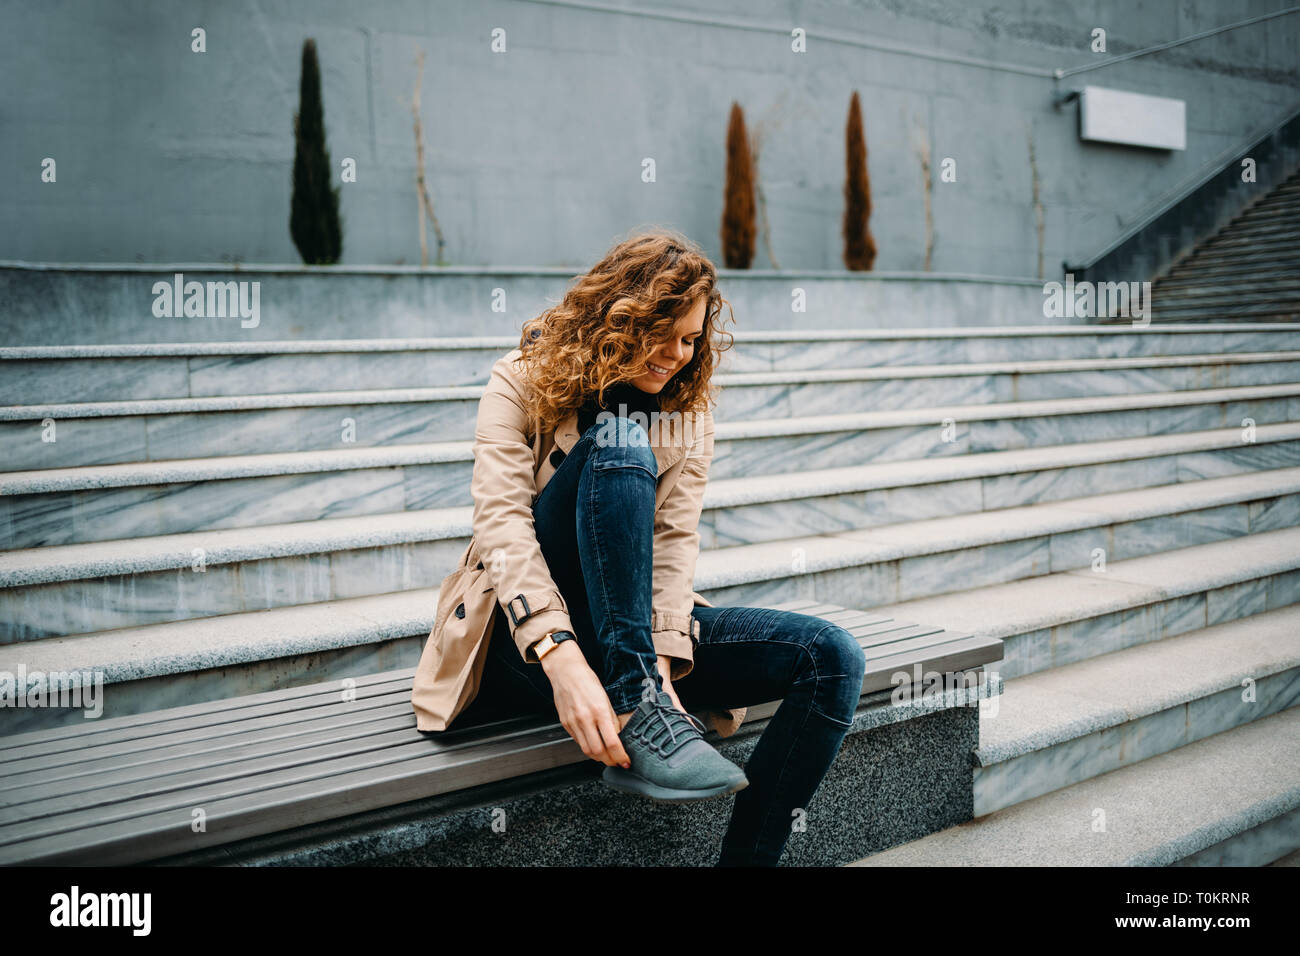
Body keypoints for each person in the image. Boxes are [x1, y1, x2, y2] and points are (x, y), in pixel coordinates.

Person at [447, 228, 867, 866]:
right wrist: (559, 659)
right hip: (524, 639)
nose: (678, 354)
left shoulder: (689, 412)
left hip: (631, 643)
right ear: (621, 316)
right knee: (618, 443)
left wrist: (661, 675)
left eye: (693, 338)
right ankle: (633, 697)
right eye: (664, 332)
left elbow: (672, 548)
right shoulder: (520, 379)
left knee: (831, 657)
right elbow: (502, 524)